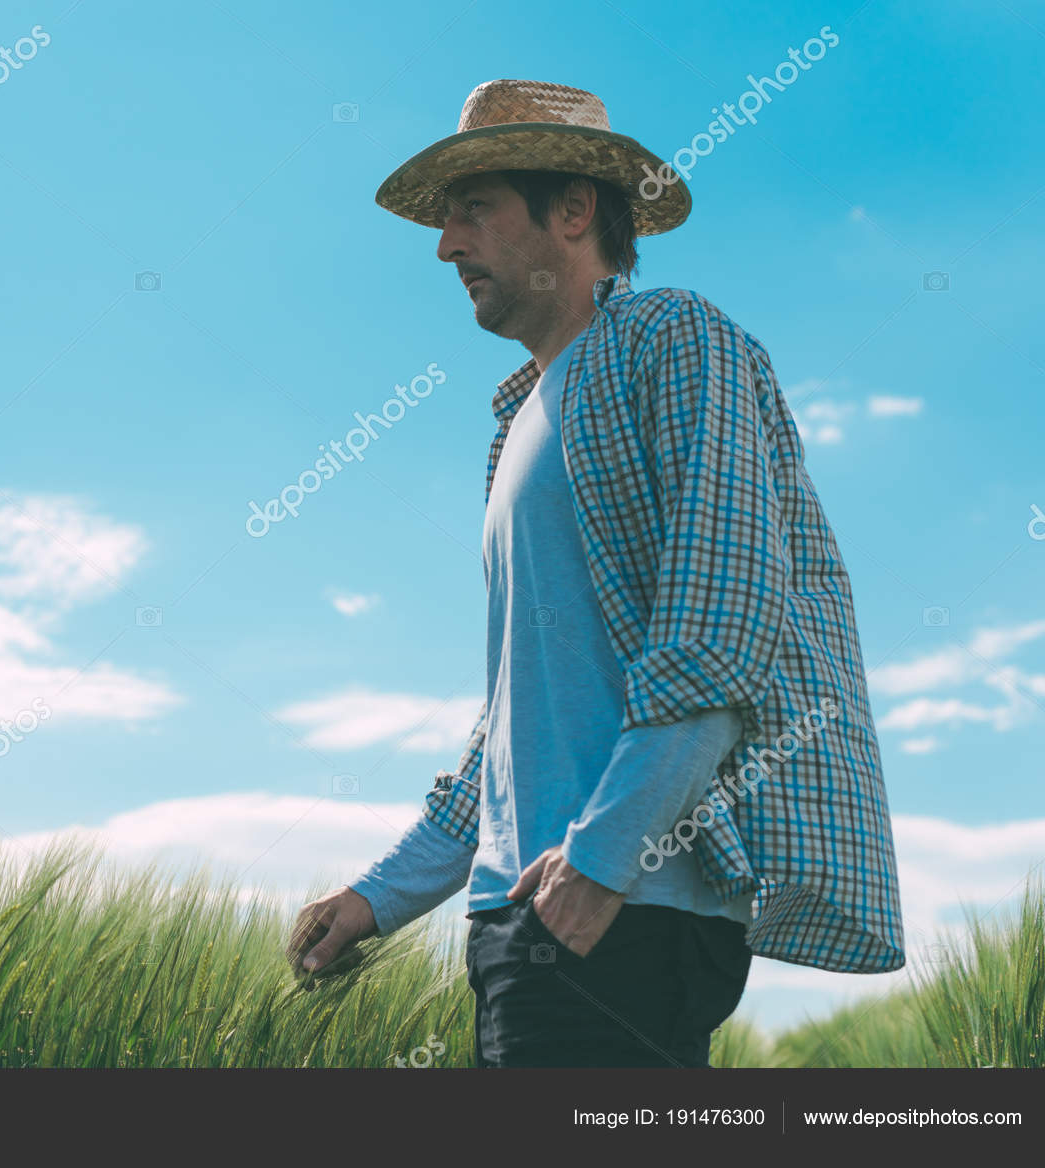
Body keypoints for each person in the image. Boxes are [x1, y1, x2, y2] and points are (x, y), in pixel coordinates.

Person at [285, 79, 905, 1067]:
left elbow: (721, 619)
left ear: (573, 207)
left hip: (624, 909)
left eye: (473, 208)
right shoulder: (513, 421)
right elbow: (511, 717)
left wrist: (605, 856)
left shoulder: (672, 341)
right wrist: (379, 896)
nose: (446, 246)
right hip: (522, 917)